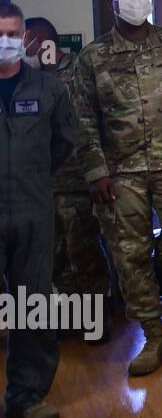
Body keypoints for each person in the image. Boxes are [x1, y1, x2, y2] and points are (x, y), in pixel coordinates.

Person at [73, 0, 162, 376]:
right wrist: (96, 172)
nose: (136, 2)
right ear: (112, 4)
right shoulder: (94, 56)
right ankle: (154, 339)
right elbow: (84, 121)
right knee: (131, 256)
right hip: (120, 174)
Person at [1, 2, 77, 418]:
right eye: (0, 34)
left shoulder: (49, 89)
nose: (7, 43)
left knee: (33, 305)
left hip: (32, 209)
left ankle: (27, 396)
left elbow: (65, 143)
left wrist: (31, 177)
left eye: (14, 34)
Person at [23, 18, 111, 340]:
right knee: (53, 256)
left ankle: (96, 321)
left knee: (83, 253)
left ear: (37, 39)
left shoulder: (78, 71)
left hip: (75, 179)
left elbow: (88, 124)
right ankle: (71, 318)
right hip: (38, 185)